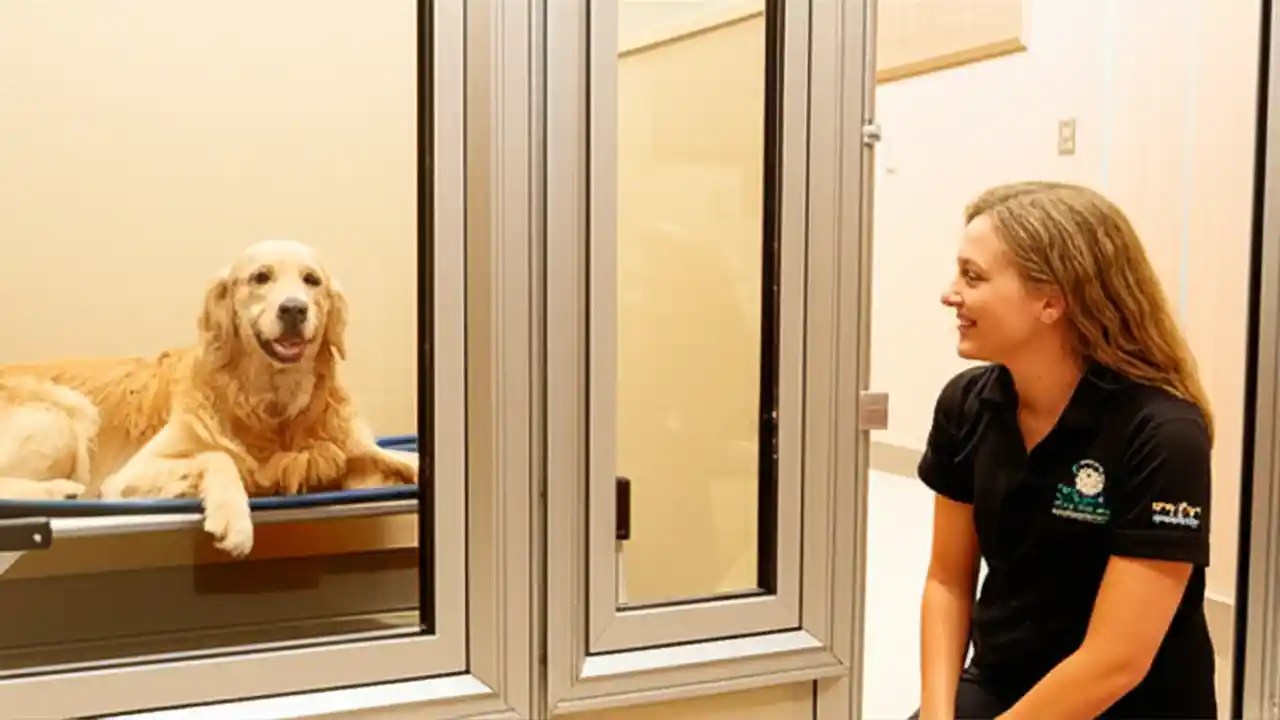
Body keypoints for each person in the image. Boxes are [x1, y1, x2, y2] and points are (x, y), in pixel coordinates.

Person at [910, 181, 1218, 719]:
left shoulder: (1163, 433)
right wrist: (937, 714)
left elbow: (1117, 661)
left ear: (1051, 300)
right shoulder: (966, 405)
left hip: (1125, 703)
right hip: (1002, 685)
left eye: (973, 276)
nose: (949, 293)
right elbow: (947, 580)